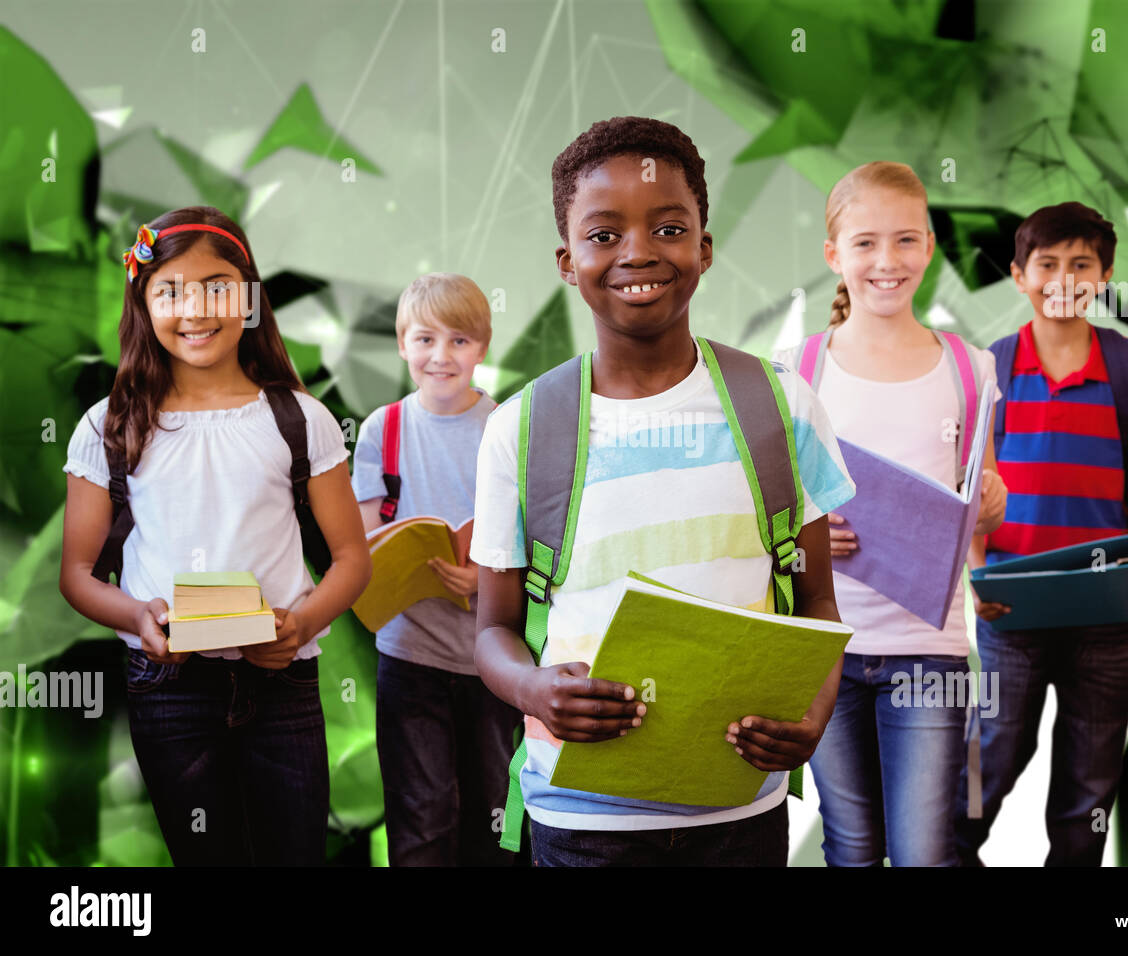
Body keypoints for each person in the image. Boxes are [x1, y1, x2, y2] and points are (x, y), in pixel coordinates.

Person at [470, 116, 857, 866]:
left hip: (740, 809)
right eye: (604, 234)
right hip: (585, 823)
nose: (638, 252)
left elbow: (815, 602)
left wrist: (814, 710)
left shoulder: (781, 406)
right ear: (566, 259)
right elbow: (493, 631)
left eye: (669, 227)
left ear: (704, 248)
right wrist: (532, 689)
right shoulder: (519, 430)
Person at [59, 206, 371, 865]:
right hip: (166, 684)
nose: (194, 308)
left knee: (294, 853)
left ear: (250, 297)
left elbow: (350, 559)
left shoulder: (300, 417)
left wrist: (302, 623)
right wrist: (139, 616)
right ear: (143, 303)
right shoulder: (109, 425)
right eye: (169, 290)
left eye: (216, 286)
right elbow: (77, 575)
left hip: (282, 681)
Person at [774, 161, 1006, 866]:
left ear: (930, 247)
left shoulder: (970, 367)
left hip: (927, 650)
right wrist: (807, 538)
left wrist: (992, 502)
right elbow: (769, 520)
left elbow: (980, 493)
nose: (886, 261)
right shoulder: (795, 369)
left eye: (905, 241)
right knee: (851, 848)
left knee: (923, 854)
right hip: (825, 650)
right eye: (865, 243)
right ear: (833, 256)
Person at [955, 201, 1128, 866]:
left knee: (1092, 773)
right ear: (1020, 274)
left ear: (1104, 277)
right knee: (993, 750)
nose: (1063, 278)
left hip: (1107, 607)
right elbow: (976, 482)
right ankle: (945, 852)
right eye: (1047, 264)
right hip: (1011, 603)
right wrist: (977, 568)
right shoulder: (990, 368)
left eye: (1080, 264)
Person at [351, 273, 520, 866]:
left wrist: (482, 580)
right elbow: (365, 545)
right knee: (420, 817)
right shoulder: (382, 430)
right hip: (409, 659)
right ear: (402, 345)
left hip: (491, 660)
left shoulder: (506, 428)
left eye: (459, 341)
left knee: (494, 811)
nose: (440, 357)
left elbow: (535, 547)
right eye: (424, 340)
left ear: (482, 347)